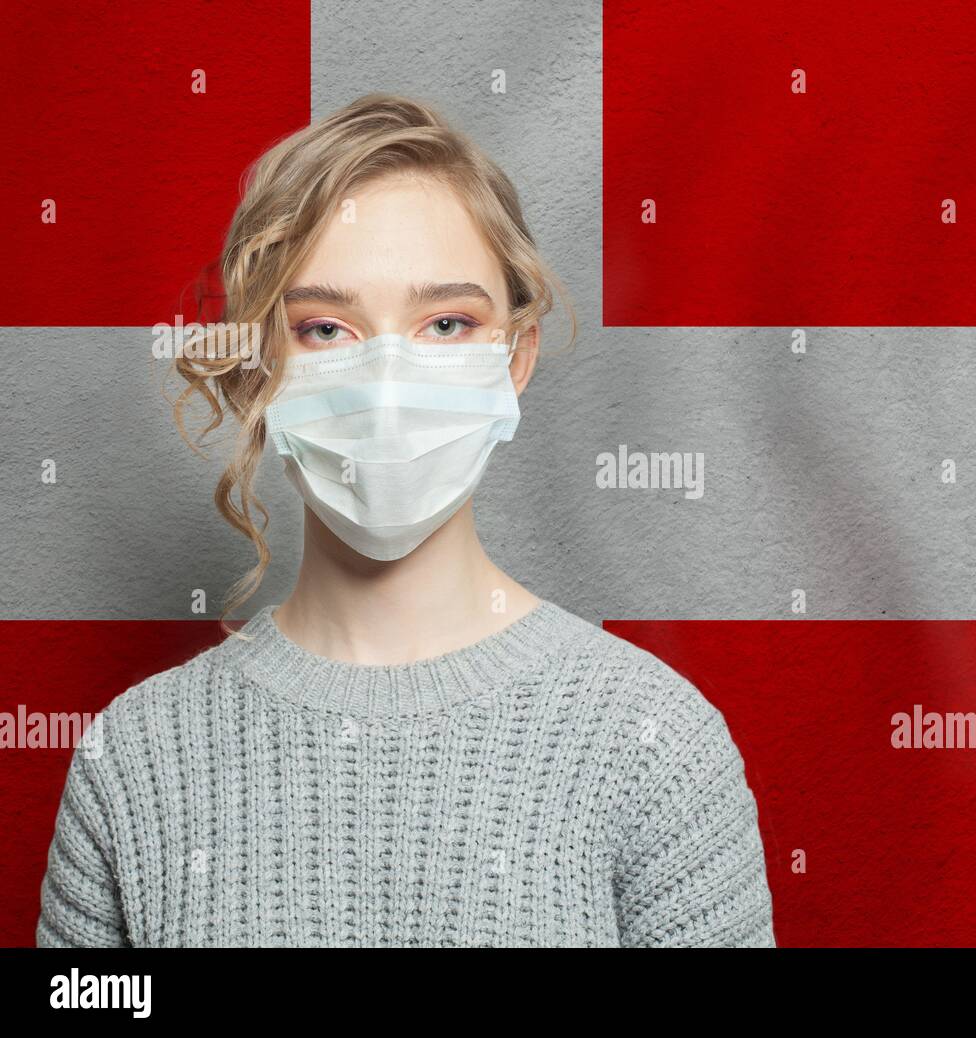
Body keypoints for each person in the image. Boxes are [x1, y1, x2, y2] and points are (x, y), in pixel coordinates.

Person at [34, 94, 776, 948]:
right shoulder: (132, 763)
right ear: (254, 368)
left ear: (516, 355)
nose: (387, 380)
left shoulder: (655, 746)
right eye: (324, 328)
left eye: (447, 323)